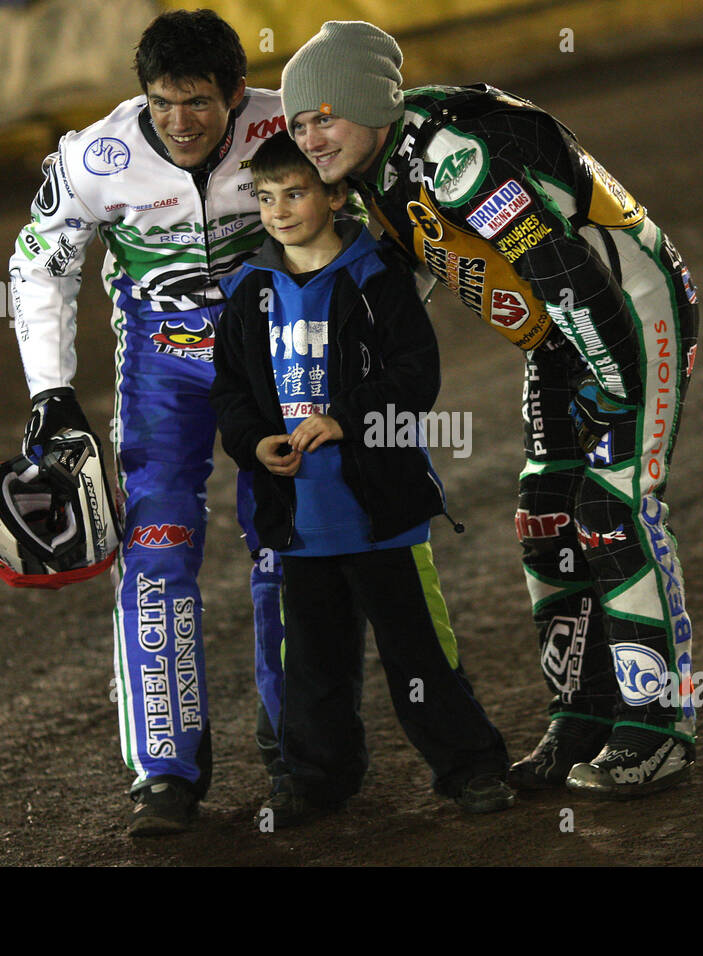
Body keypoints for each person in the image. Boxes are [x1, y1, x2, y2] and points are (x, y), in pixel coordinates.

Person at [279, 21, 702, 798]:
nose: (311, 138)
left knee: (611, 508)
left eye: (325, 116)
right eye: (299, 122)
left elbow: (567, 274)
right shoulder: (372, 165)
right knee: (545, 511)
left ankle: (660, 726)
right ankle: (584, 713)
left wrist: (613, 393)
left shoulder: (456, 159)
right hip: (559, 337)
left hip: (629, 318)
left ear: (374, 103)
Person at [7, 9, 292, 836]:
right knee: (156, 550)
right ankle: (164, 772)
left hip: (275, 360)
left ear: (238, 94)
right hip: (158, 372)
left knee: (287, 541)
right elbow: (37, 266)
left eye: (198, 102)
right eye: (162, 102)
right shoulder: (93, 157)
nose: (179, 121)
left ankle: (298, 748)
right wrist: (50, 392)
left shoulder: (291, 123)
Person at [210, 131, 515, 825]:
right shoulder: (247, 290)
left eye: (295, 193)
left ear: (336, 194)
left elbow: (417, 375)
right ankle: (316, 781)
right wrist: (255, 442)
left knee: (418, 656)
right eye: (265, 197)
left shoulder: (376, 276)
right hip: (296, 522)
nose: (280, 210)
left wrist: (346, 418)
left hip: (382, 515)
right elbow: (229, 392)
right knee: (314, 666)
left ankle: (470, 768)